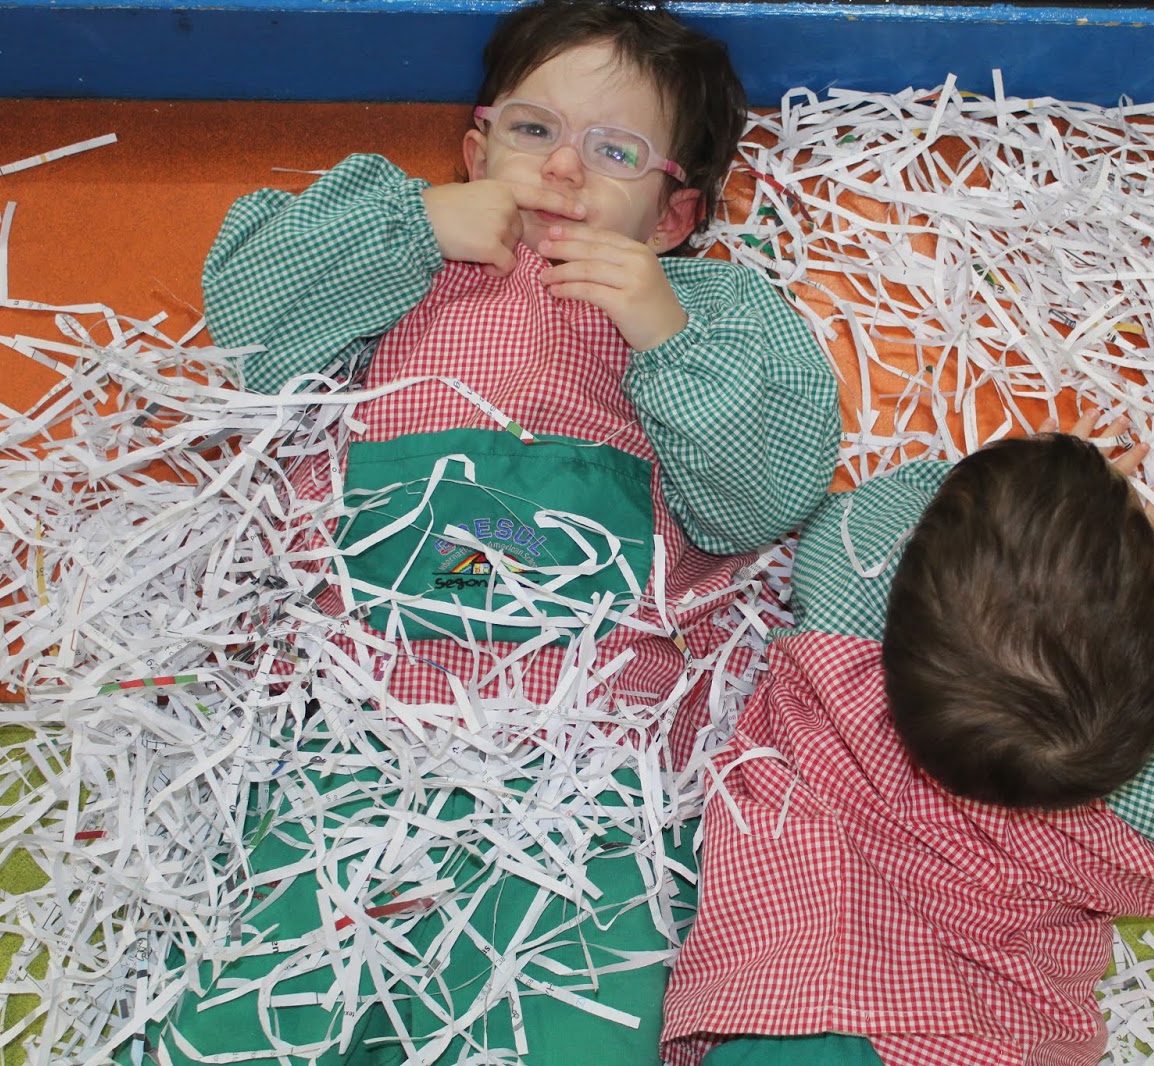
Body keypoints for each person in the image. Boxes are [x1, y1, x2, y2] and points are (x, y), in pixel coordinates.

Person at [128, 2, 841, 1063]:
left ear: (672, 215)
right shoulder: (402, 250)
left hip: (589, 762)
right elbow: (247, 324)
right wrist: (418, 226)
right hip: (361, 727)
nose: (562, 168)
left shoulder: (715, 315)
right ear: (476, 150)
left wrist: (662, 328)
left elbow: (761, 498)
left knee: (576, 1028)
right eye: (532, 129)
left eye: (615, 152)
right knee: (253, 1014)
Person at [661, 412, 1154, 1066]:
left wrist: (1016, 501)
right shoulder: (1148, 796)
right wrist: (1119, 572)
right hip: (987, 1040)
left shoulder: (848, 610)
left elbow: (877, 514)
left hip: (788, 996)